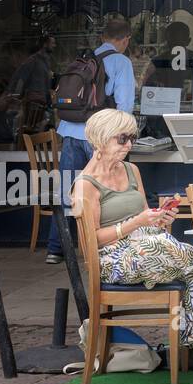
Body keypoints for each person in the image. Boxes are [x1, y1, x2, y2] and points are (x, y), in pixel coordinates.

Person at [69, 109, 193, 378]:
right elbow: (89, 241)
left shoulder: (132, 170)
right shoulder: (85, 185)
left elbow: (146, 217)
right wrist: (136, 223)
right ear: (101, 140)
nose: (129, 145)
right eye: (122, 139)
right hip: (114, 258)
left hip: (152, 247)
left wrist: (159, 218)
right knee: (163, 248)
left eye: (132, 138)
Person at [51, 16, 136, 265]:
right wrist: (124, 137)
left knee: (67, 189)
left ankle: (56, 248)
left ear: (102, 37)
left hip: (69, 132)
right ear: (126, 39)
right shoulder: (121, 62)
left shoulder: (83, 59)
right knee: (106, 189)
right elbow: (125, 106)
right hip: (98, 137)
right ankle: (102, 247)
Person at [8, 31, 57, 135]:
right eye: (52, 43)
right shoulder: (33, 60)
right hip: (33, 106)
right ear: (45, 44)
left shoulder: (46, 61)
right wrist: (14, 95)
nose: (54, 45)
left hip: (43, 104)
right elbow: (20, 77)